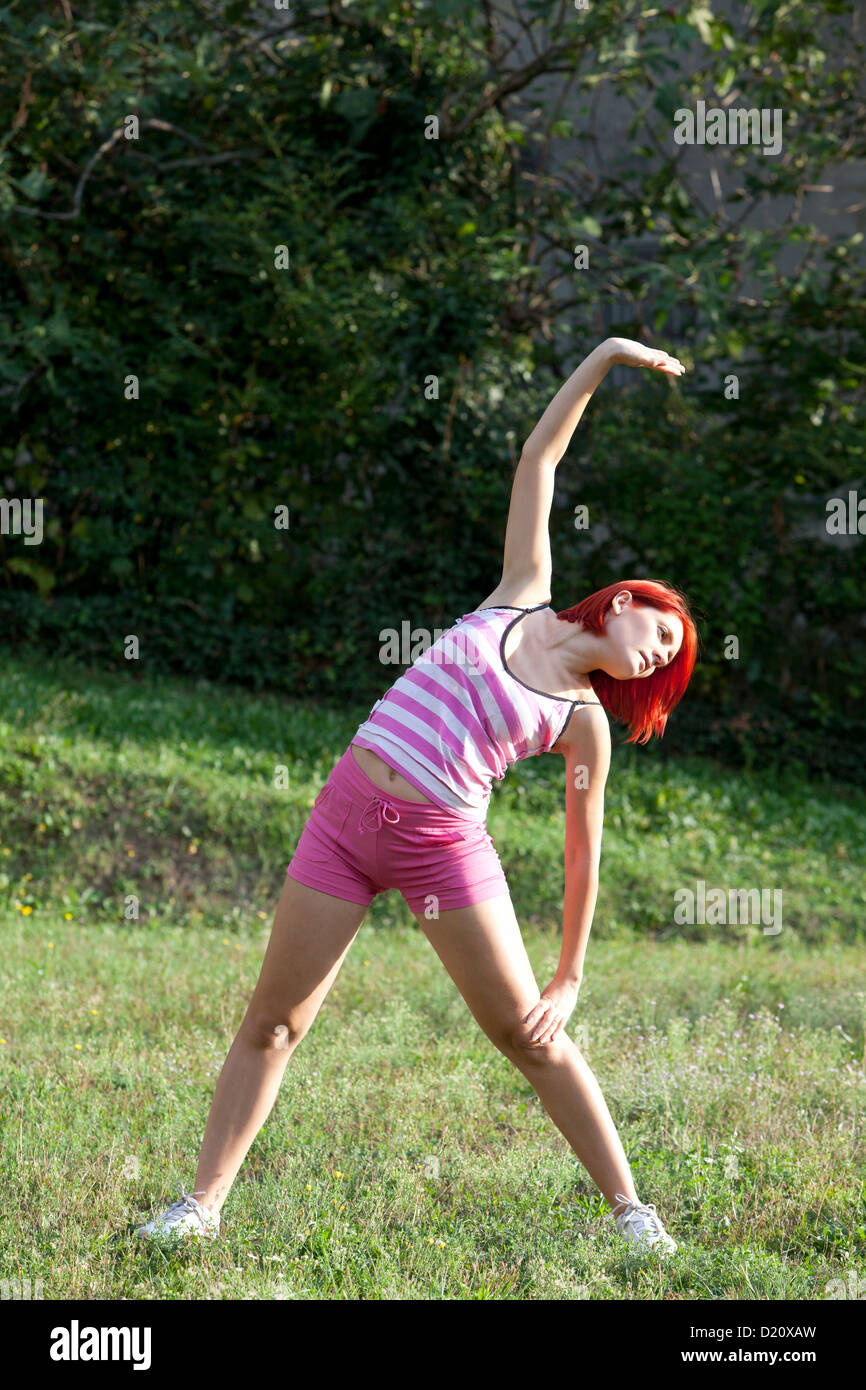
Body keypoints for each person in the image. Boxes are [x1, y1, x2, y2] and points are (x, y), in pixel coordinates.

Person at [137, 336, 697, 1258]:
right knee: (276, 1021)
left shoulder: (585, 722)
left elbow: (582, 853)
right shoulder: (523, 591)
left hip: (443, 849)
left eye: (669, 663)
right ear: (623, 599)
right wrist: (603, 356)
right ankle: (199, 1208)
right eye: (659, 632)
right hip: (346, 816)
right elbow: (539, 457)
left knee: (529, 1035)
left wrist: (570, 976)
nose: (657, 655)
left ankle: (632, 1212)